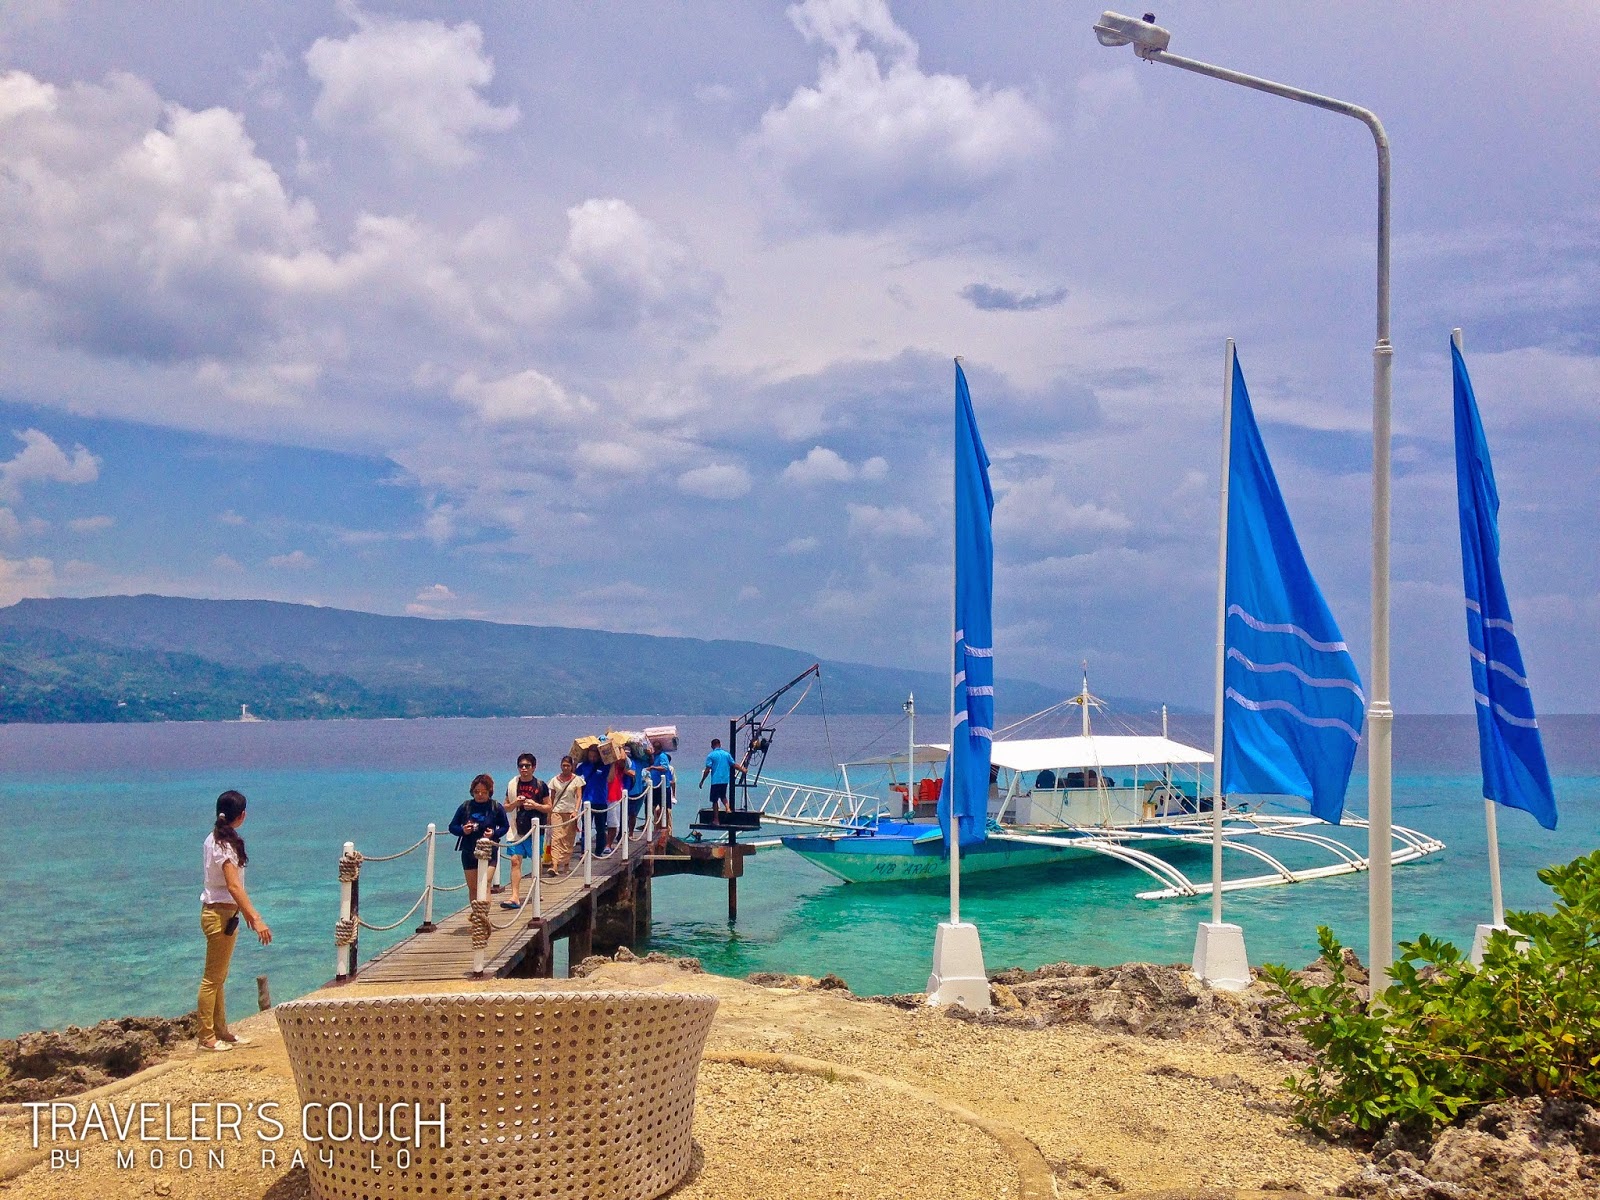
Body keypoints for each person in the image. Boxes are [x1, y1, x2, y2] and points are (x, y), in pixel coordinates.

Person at [197, 790, 270, 1053]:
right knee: (212, 979)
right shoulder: (224, 846)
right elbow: (234, 886)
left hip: (221, 914)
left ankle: (220, 1030)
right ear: (241, 816)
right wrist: (255, 917)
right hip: (220, 915)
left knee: (219, 977)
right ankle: (206, 1036)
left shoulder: (213, 839)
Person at [449, 774, 508, 900]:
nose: (480, 795)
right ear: (472, 792)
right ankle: (477, 916)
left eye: (484, 792)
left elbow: (505, 827)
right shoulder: (465, 807)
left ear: (489, 792)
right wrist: (463, 830)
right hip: (468, 851)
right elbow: (452, 826)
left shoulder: (495, 807)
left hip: (489, 851)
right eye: (477, 792)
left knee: (485, 884)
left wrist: (493, 833)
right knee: (473, 887)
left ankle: (484, 916)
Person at [503, 754, 550, 910]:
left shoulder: (541, 785)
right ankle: (515, 896)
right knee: (515, 861)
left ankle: (537, 890)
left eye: (527, 766)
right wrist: (516, 802)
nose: (524, 768)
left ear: (534, 767)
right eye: (521, 765)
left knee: (536, 861)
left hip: (535, 830)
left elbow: (548, 807)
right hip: (516, 829)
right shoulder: (512, 785)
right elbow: (506, 807)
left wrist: (535, 805)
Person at [546, 756, 583, 874]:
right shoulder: (554, 780)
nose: (565, 768)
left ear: (572, 766)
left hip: (570, 812)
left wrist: (576, 810)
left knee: (568, 839)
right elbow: (551, 798)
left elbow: (579, 797)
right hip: (557, 811)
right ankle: (555, 865)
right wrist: (549, 813)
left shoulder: (577, 780)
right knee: (556, 838)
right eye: (564, 765)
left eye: (568, 765)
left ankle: (566, 863)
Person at [574, 745, 609, 857]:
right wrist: (575, 761)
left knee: (601, 828)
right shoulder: (585, 766)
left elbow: (610, 779)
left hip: (601, 800)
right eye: (590, 756)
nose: (592, 758)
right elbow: (574, 775)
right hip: (587, 801)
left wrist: (612, 763)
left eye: (594, 756)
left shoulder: (604, 766)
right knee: (586, 828)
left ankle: (599, 851)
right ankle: (584, 851)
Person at [698, 737, 745, 813]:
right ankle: (727, 808)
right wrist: (743, 770)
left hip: (716, 780)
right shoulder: (726, 754)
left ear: (712, 746)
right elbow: (734, 765)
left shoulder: (711, 755)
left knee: (714, 800)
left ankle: (716, 819)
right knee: (723, 795)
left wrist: (702, 781)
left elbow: (707, 770)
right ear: (720, 745)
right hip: (725, 779)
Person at [648, 745, 675, 845]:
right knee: (656, 809)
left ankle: (668, 830)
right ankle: (657, 828)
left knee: (666, 809)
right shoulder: (653, 756)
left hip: (664, 786)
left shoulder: (663, 756)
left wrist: (653, 767)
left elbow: (664, 767)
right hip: (655, 786)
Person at [625, 747, 652, 834]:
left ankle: (631, 833)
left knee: (633, 814)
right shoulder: (621, 763)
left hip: (636, 792)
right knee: (624, 815)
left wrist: (650, 754)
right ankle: (623, 834)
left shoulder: (638, 762)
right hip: (624, 792)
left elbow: (650, 763)